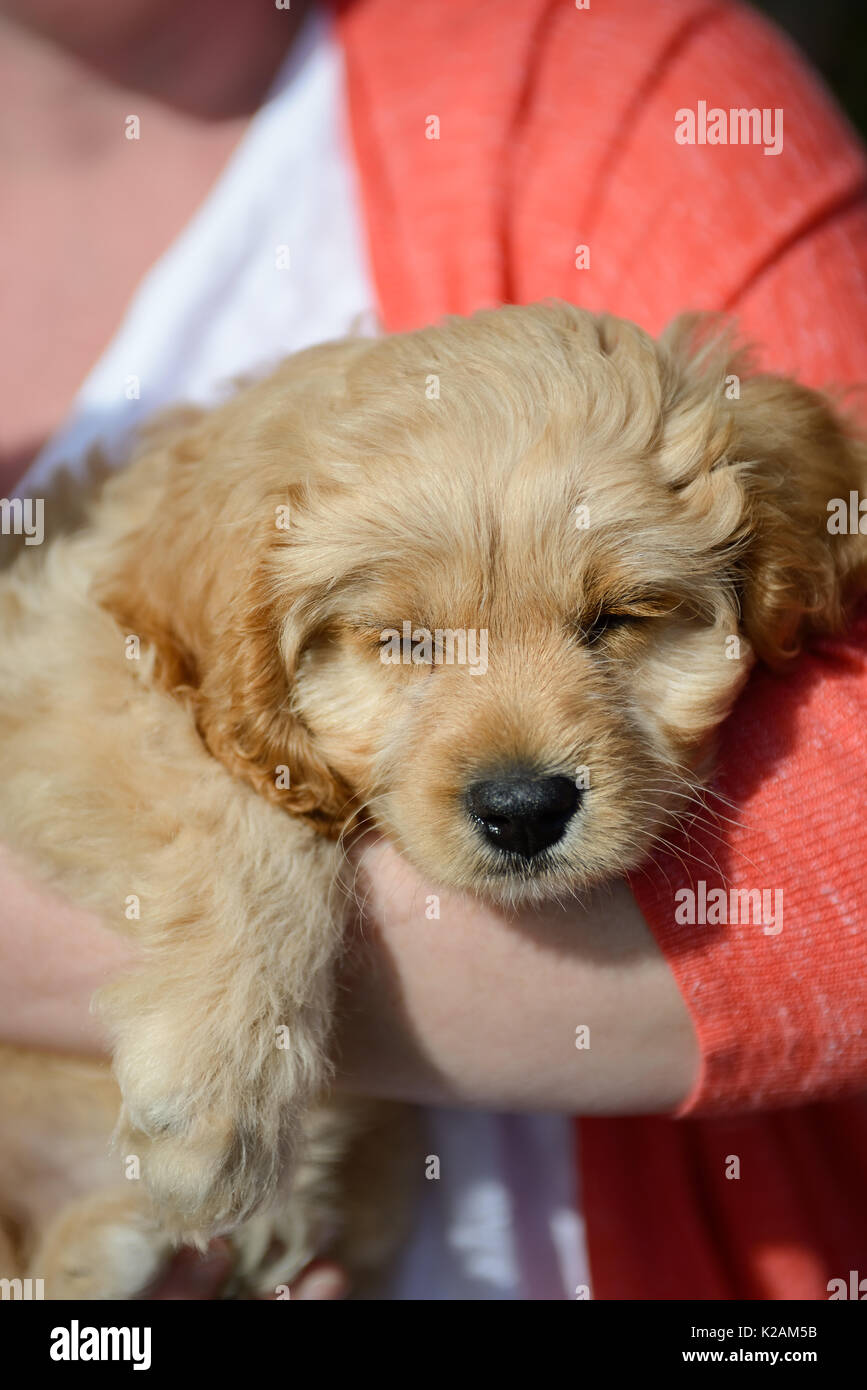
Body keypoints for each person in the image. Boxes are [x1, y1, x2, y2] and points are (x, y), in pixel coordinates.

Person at [1, 0, 865, 1299]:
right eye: (406, 640)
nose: (517, 765)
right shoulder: (203, 551)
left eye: (617, 620)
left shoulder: (604, 67)